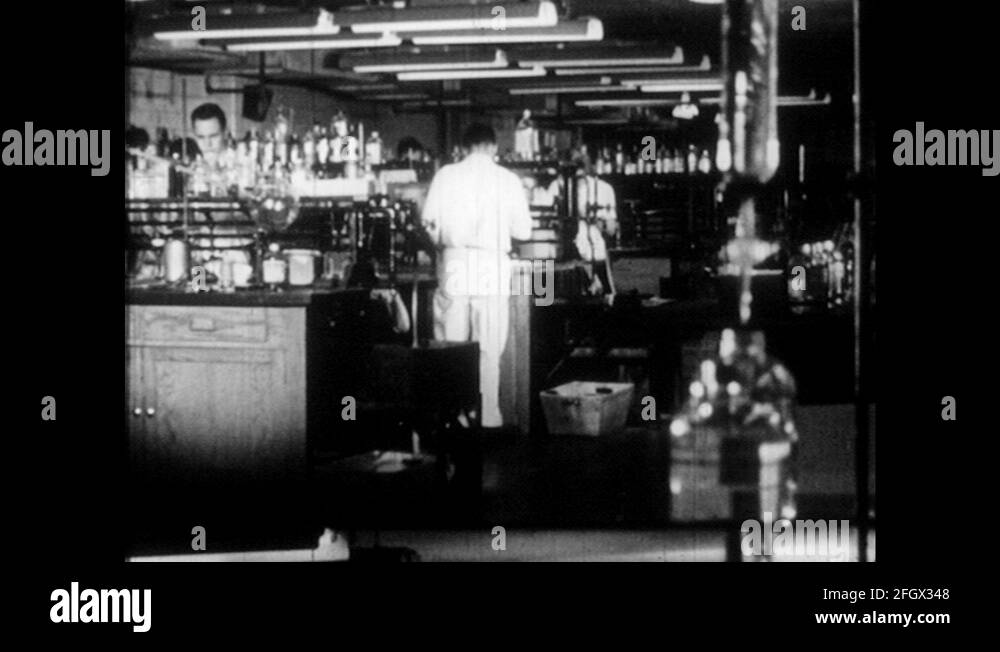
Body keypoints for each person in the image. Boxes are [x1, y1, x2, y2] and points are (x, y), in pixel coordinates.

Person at [421, 123, 532, 429]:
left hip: (455, 261)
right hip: (492, 263)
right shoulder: (508, 180)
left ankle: (454, 417)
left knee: (452, 343)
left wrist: (444, 244)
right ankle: (488, 415)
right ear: (493, 147)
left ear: (463, 147)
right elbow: (523, 231)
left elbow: (429, 224)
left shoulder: (445, 175)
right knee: (488, 345)